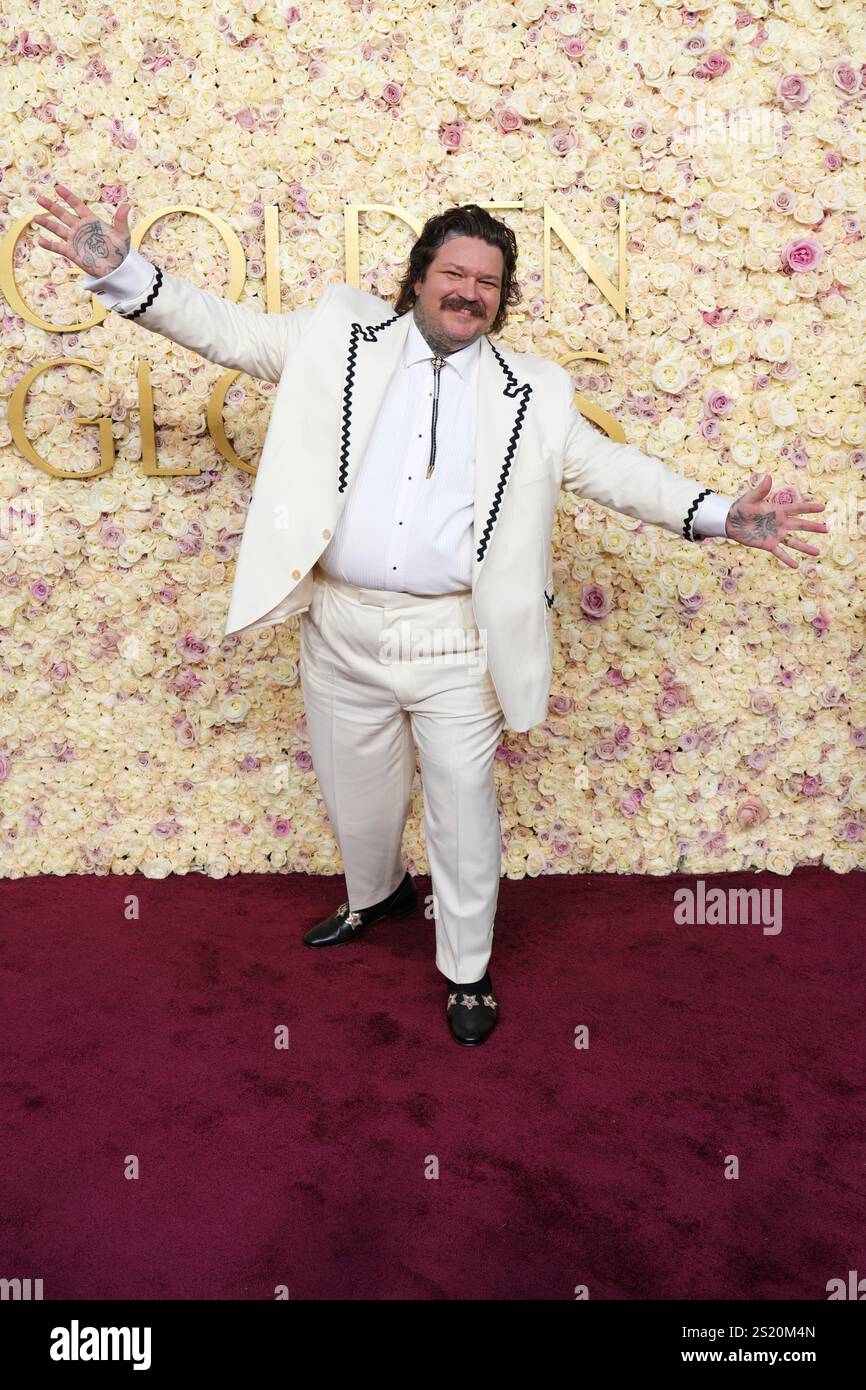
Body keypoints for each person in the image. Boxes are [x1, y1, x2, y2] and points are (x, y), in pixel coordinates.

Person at [33, 187, 828, 1045]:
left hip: (457, 642)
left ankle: (467, 969)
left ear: (502, 296)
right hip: (340, 625)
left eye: (488, 281)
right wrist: (123, 271)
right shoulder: (333, 334)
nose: (469, 291)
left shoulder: (536, 393)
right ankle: (377, 895)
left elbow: (620, 474)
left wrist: (721, 515)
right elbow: (221, 327)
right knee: (359, 803)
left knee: (462, 804)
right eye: (454, 271)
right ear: (417, 277)